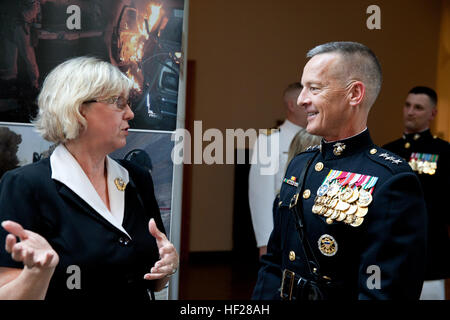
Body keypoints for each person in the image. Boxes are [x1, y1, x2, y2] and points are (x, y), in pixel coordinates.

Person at [252, 41, 427, 300]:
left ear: (354, 94)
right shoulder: (300, 164)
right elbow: (275, 263)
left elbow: (381, 292)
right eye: (303, 88)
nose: (302, 100)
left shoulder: (390, 180)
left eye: (314, 88)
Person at [0, 56, 179, 301]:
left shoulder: (136, 177)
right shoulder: (24, 185)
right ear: (78, 109)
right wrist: (37, 274)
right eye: (119, 103)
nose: (129, 113)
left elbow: (154, 281)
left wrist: (167, 267)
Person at [383, 86, 450, 300]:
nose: (410, 111)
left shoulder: (445, 153)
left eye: (418, 107)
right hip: (390, 253)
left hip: (428, 254)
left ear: (432, 114)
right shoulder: (387, 151)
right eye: (407, 105)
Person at [249, 82, 308, 257]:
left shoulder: (319, 138)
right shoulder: (270, 140)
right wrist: (265, 241)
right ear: (291, 105)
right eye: (303, 102)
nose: (310, 104)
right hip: (282, 228)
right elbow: (260, 194)